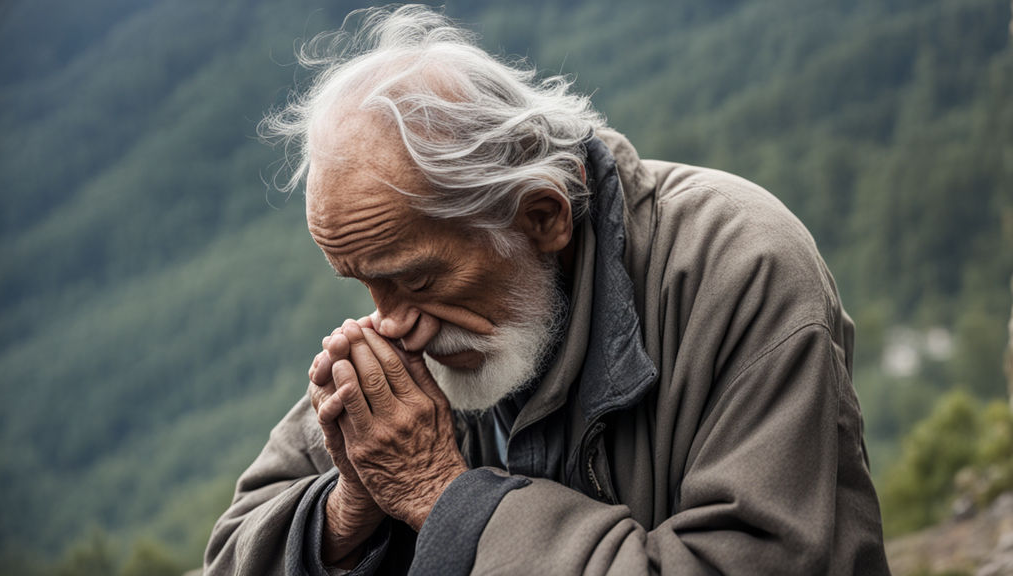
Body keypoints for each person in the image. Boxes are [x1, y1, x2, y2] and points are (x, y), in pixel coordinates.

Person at [204, 5, 891, 575]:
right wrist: (347, 508)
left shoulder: (738, 270)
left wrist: (445, 501)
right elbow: (233, 550)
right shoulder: (427, 330)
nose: (391, 328)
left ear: (544, 217)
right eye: (366, 287)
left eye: (415, 279)